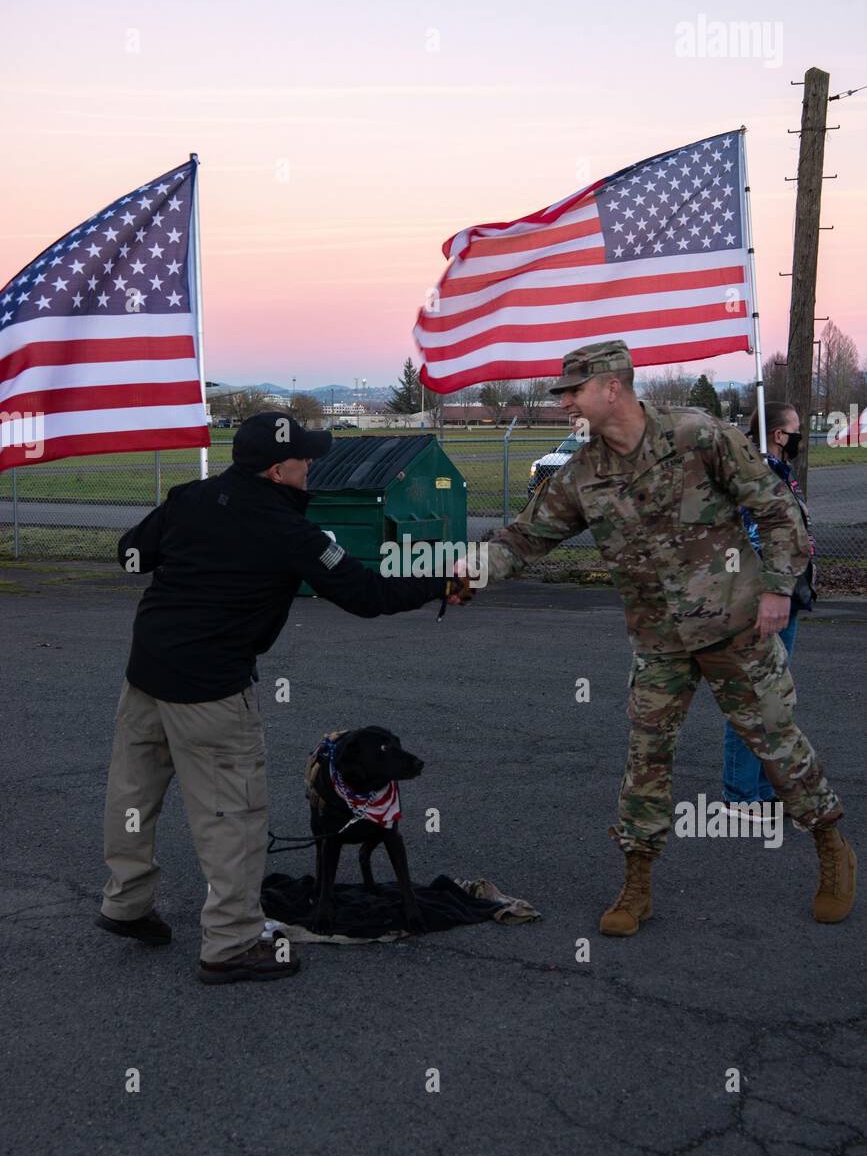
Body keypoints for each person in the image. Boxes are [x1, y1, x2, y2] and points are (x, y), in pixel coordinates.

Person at [451, 341, 855, 936]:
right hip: (658, 638)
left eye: (573, 392)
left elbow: (775, 507)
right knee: (646, 759)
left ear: (612, 388)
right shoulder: (581, 473)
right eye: (562, 394)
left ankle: (829, 845)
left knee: (773, 742)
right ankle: (637, 883)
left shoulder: (699, 435)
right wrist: (472, 569)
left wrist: (777, 587)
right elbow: (524, 538)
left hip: (734, 626)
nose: (565, 403)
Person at [97, 413, 450, 984]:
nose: (311, 465)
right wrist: (442, 578)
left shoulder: (190, 497)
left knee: (133, 795)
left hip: (147, 674)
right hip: (212, 690)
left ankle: (126, 903)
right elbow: (366, 595)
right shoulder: (291, 532)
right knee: (232, 814)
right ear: (276, 469)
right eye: (304, 458)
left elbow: (130, 554)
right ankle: (232, 942)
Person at [722, 402, 816, 818]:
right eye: (795, 429)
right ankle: (741, 793)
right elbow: (756, 541)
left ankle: (761, 786)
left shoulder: (781, 474)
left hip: (788, 598)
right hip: (764, 601)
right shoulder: (756, 475)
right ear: (779, 435)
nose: (800, 434)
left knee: (773, 698)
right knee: (754, 696)